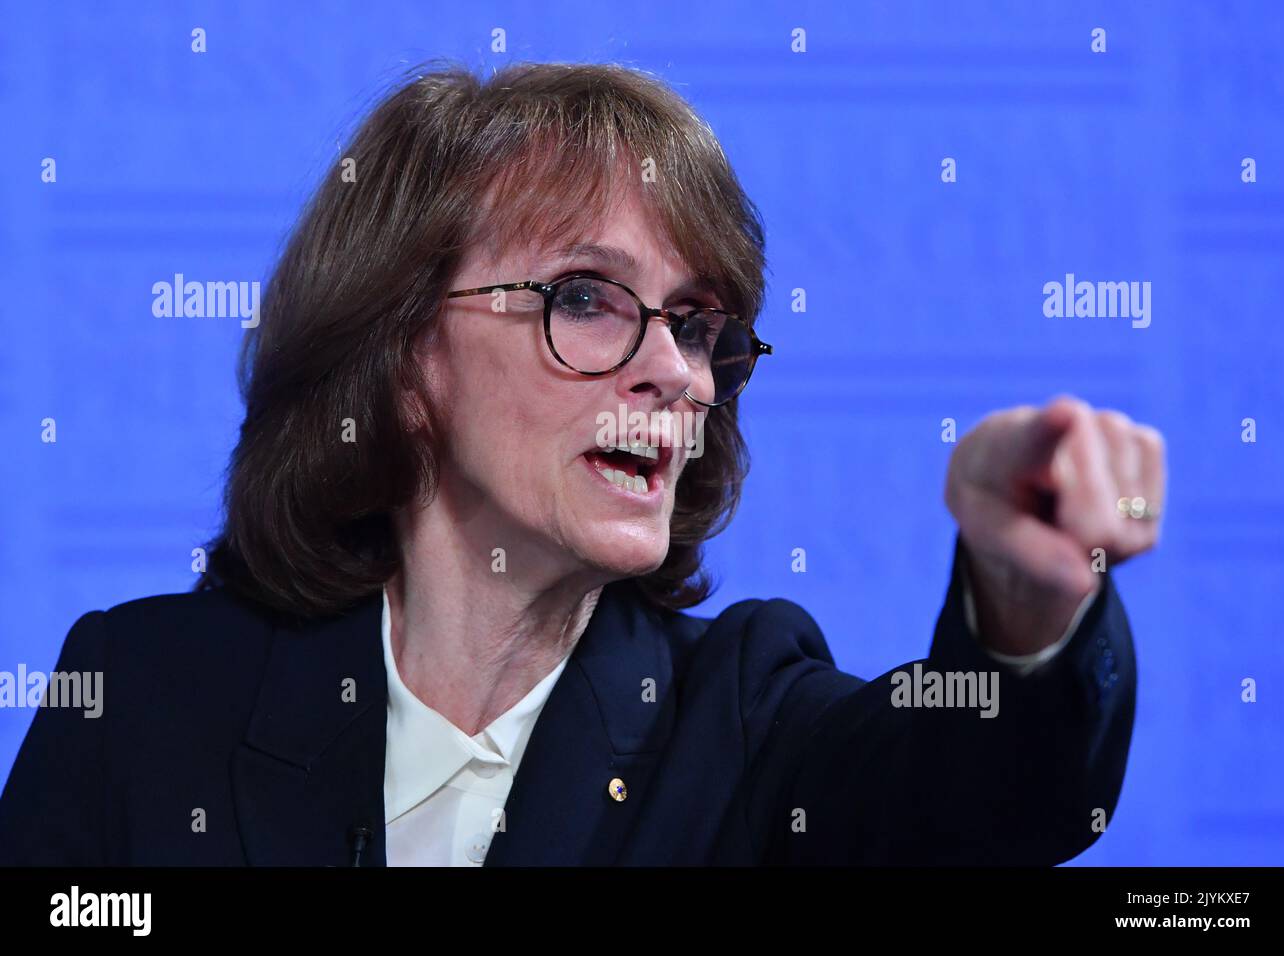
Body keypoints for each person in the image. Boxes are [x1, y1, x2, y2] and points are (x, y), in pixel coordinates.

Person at [0, 60, 1163, 866]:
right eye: (589, 299)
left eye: (699, 322)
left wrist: (1026, 600)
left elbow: (987, 791)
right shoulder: (143, 700)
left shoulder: (744, 720)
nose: (679, 373)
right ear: (407, 359)